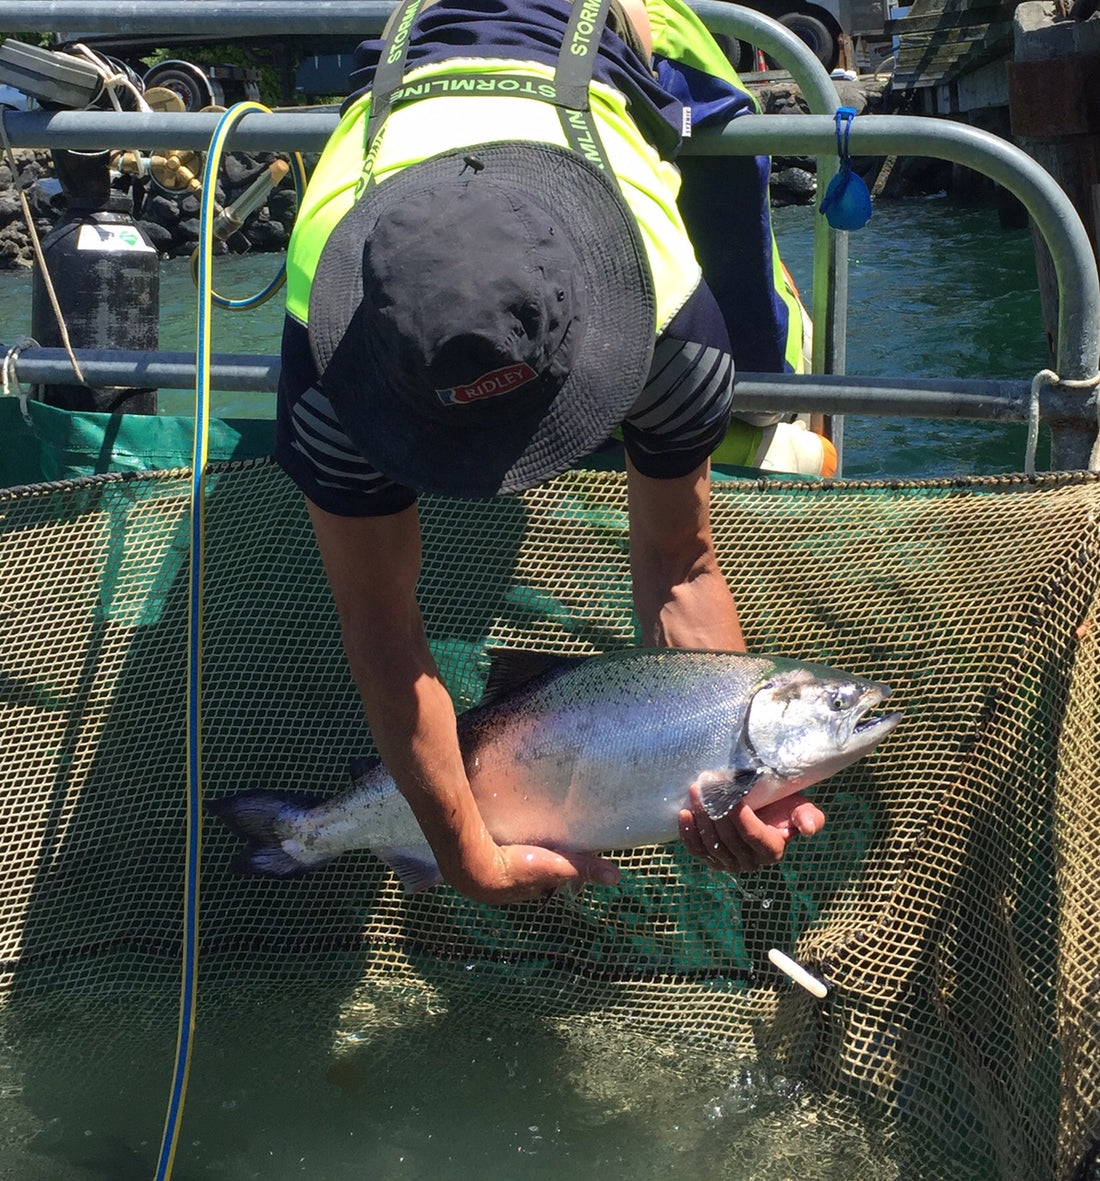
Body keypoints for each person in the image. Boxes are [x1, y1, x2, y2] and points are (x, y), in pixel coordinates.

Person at [274, 0, 826, 904]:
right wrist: (462, 853)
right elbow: (380, 624)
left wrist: (745, 770)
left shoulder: (674, 326)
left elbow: (679, 566)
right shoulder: (324, 375)